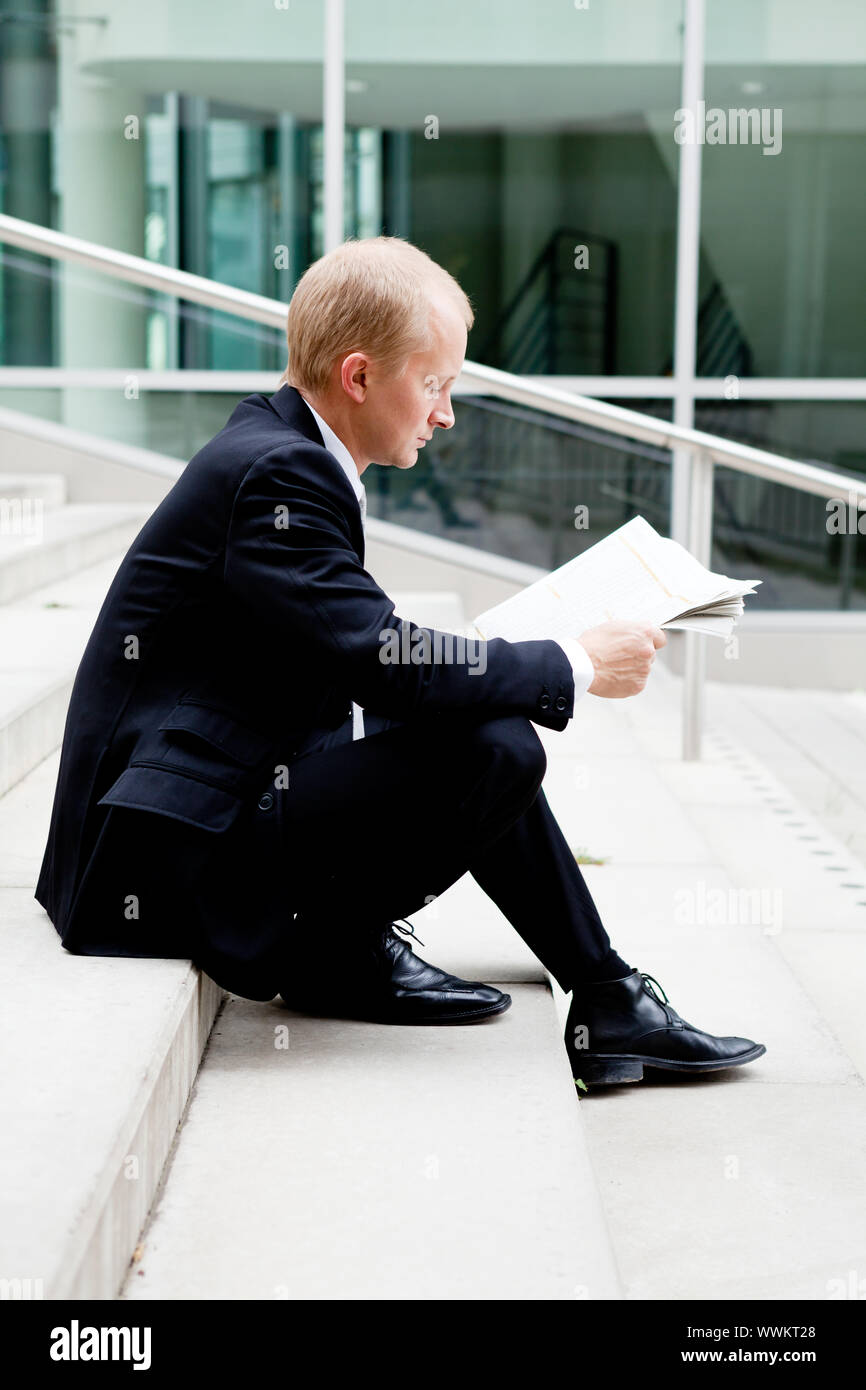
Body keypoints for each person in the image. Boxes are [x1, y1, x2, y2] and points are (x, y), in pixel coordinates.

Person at [35, 236, 765, 1088]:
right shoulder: (280, 471)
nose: (445, 413)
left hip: (204, 783)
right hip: (154, 856)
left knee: (476, 722)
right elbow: (384, 658)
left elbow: (357, 645)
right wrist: (570, 658)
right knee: (500, 746)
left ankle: (606, 997)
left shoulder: (281, 445)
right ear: (358, 377)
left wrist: (502, 663)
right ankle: (344, 950)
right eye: (435, 384)